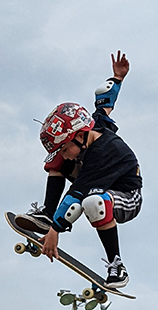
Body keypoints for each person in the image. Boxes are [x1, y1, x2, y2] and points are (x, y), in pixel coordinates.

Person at [14, 51, 142, 288]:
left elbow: (76, 198)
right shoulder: (93, 127)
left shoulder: (104, 152)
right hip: (101, 186)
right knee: (58, 164)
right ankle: (47, 211)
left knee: (93, 203)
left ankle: (117, 266)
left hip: (127, 197)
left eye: (64, 147)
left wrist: (55, 232)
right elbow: (104, 102)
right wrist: (118, 78)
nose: (63, 153)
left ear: (79, 137)